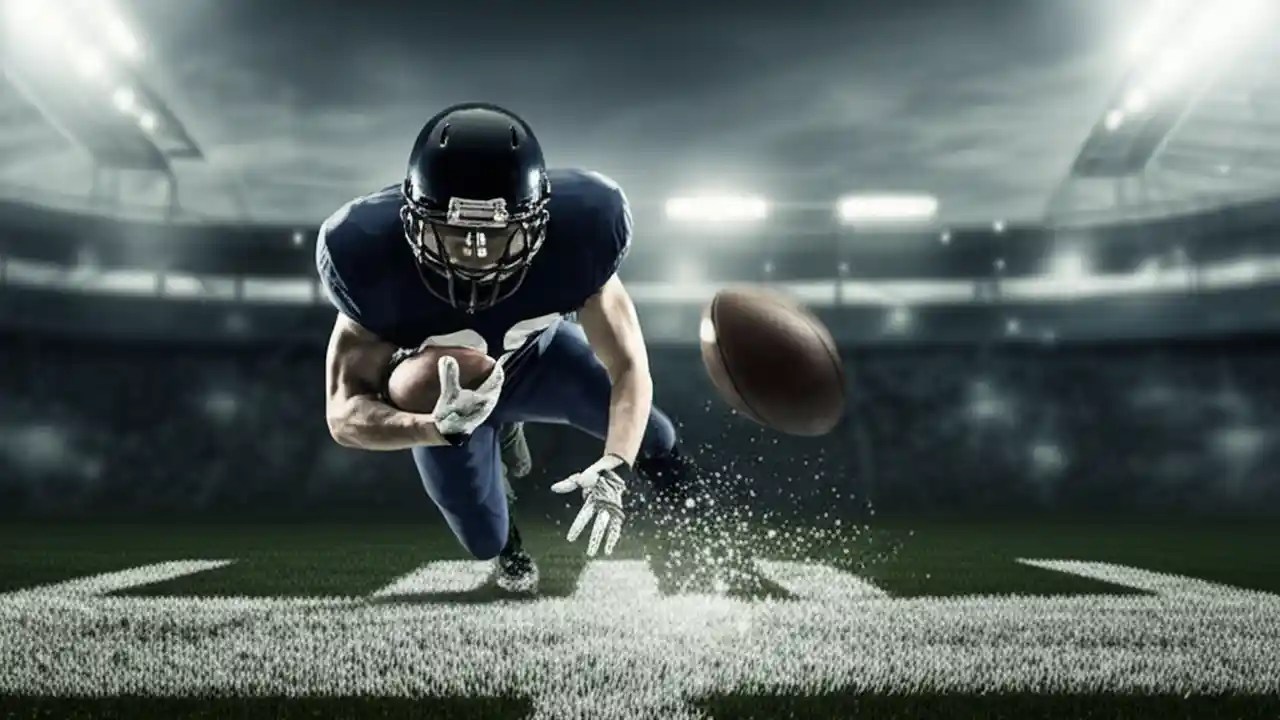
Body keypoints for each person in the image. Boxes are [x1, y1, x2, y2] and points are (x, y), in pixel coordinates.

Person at [318, 102, 693, 593]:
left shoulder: (582, 234)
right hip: (446, 397)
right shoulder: (366, 254)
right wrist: (432, 426)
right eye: (453, 231)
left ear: (540, 222)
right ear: (410, 221)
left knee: (652, 435)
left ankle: (693, 502)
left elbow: (628, 368)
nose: (475, 252)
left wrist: (615, 465)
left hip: (539, 361)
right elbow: (343, 414)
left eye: (496, 234)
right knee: (482, 536)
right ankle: (507, 538)